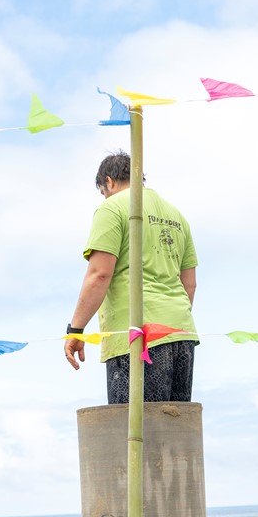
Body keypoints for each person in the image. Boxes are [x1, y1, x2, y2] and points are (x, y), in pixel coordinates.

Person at [62, 151, 200, 403]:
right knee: (175, 424)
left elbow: (100, 274)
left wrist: (76, 330)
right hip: (182, 334)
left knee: (131, 425)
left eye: (103, 192)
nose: (105, 197)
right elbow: (189, 284)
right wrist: (170, 319)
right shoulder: (177, 215)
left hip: (137, 337)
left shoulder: (112, 208)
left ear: (109, 182)